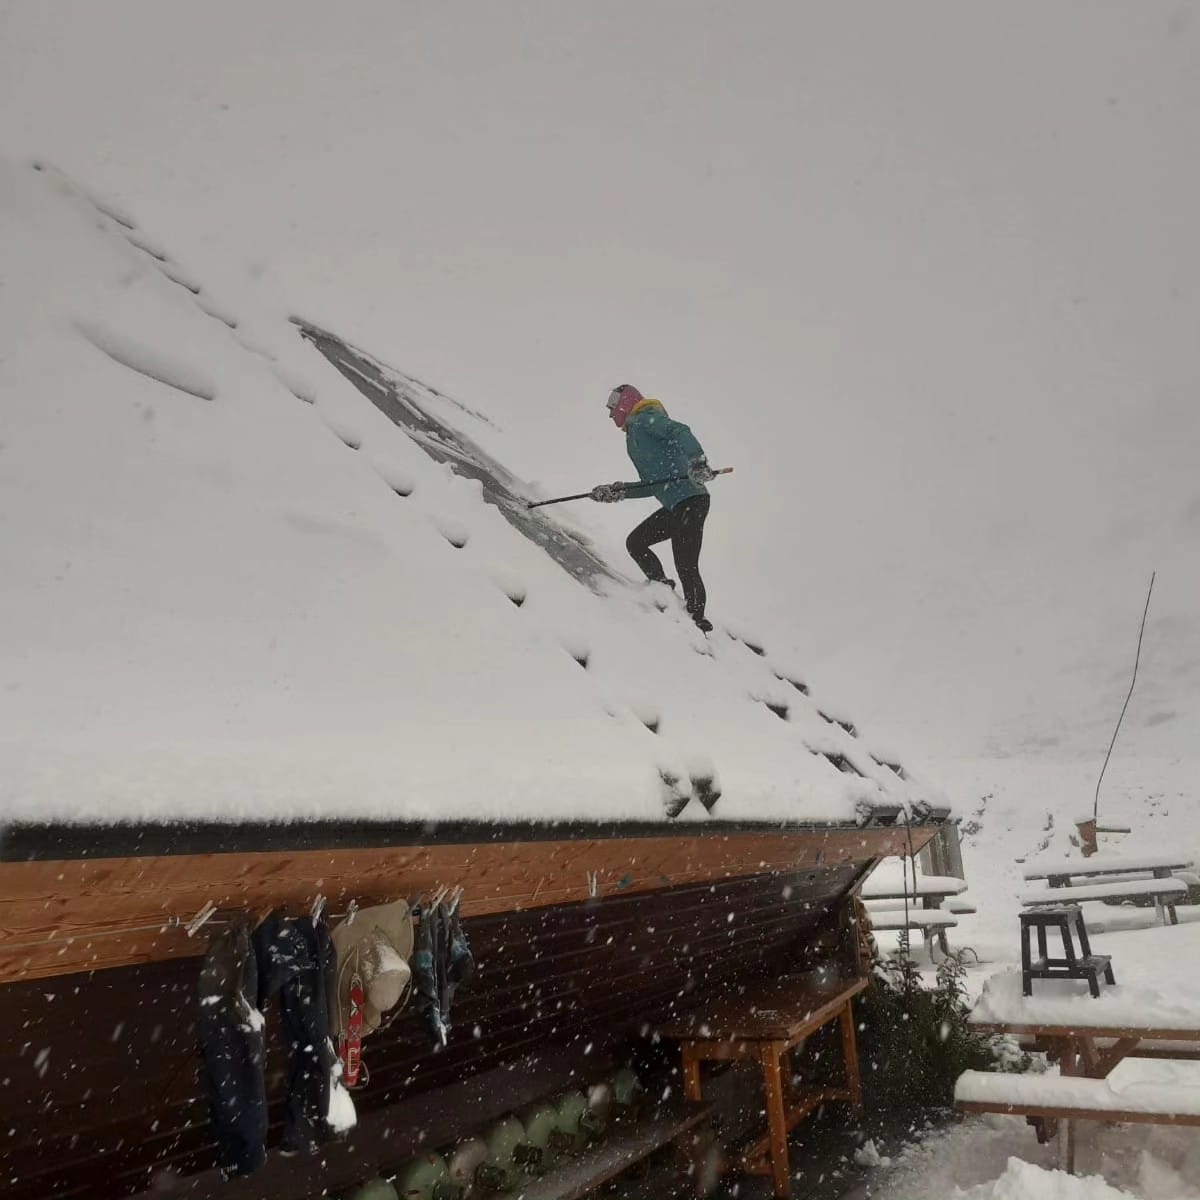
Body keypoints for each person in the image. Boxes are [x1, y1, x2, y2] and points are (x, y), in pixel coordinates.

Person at [591, 384, 716, 632]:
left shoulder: (646, 419)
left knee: (686, 563)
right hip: (675, 504)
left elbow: (681, 430)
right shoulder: (634, 439)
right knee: (636, 542)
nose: (611, 414)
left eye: (612, 406)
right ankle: (661, 588)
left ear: (624, 403)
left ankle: (697, 620)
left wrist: (698, 461)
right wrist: (619, 491)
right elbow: (652, 486)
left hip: (691, 500)